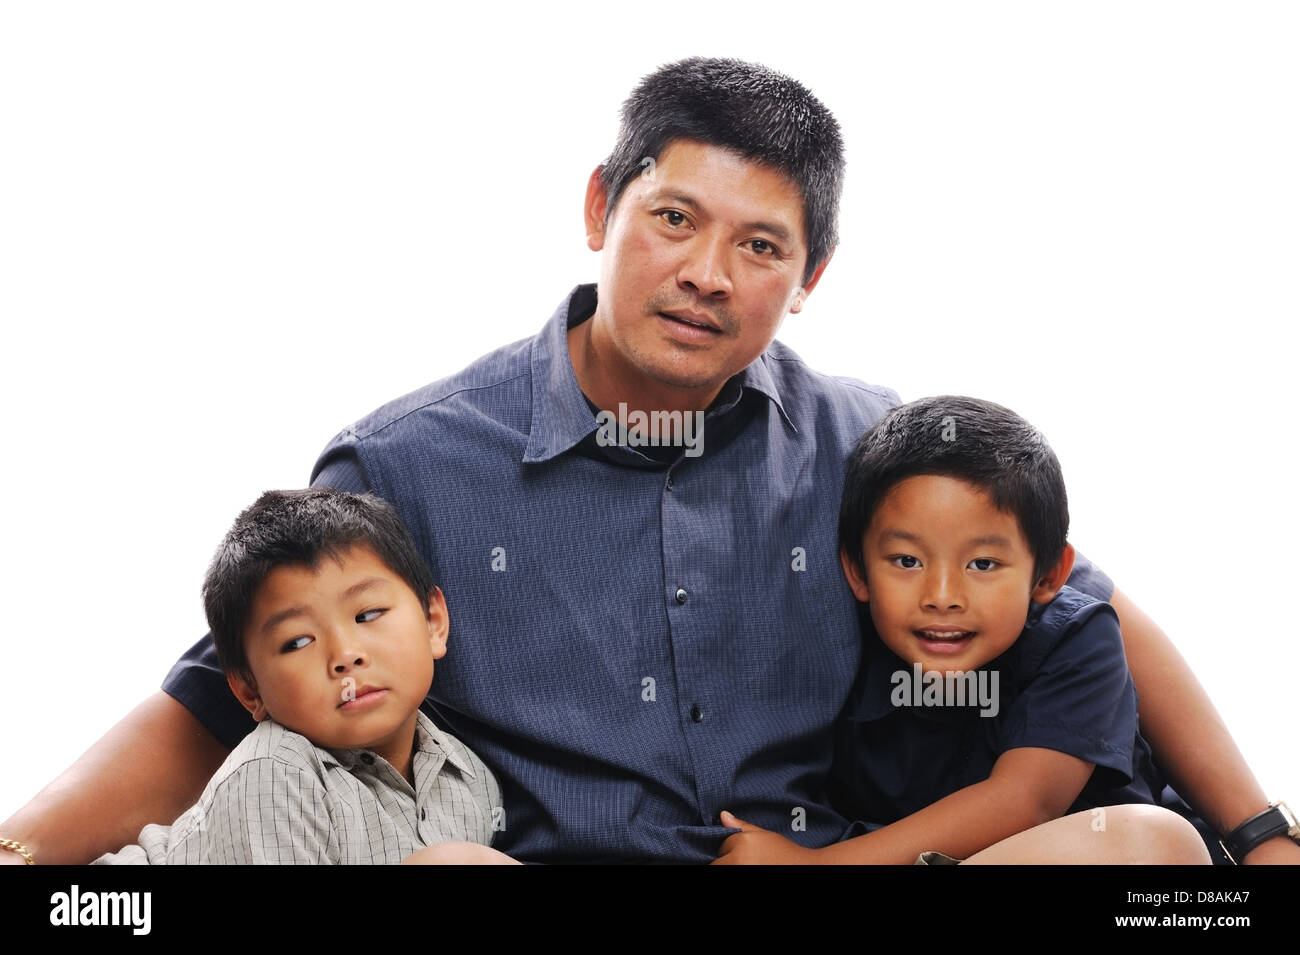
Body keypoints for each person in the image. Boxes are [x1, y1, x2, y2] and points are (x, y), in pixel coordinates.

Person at [3, 57, 1295, 866]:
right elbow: (231, 691)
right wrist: (23, 846)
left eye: (760, 247)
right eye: (672, 220)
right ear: (599, 209)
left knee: (1151, 853)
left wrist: (1263, 833)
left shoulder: (868, 445)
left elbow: (1088, 610)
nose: (705, 275)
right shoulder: (413, 458)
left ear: (811, 279)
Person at [715, 396, 1212, 864]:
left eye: (983, 563)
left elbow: (1025, 801)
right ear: (858, 572)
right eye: (907, 561)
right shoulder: (843, 644)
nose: (942, 595)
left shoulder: (1078, 639)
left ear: (1048, 575)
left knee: (1157, 840)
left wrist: (816, 864)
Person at [94, 488, 508, 864]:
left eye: (368, 615)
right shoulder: (274, 773)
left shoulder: (470, 777)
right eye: (297, 642)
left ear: (433, 622)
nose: (346, 656)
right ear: (249, 690)